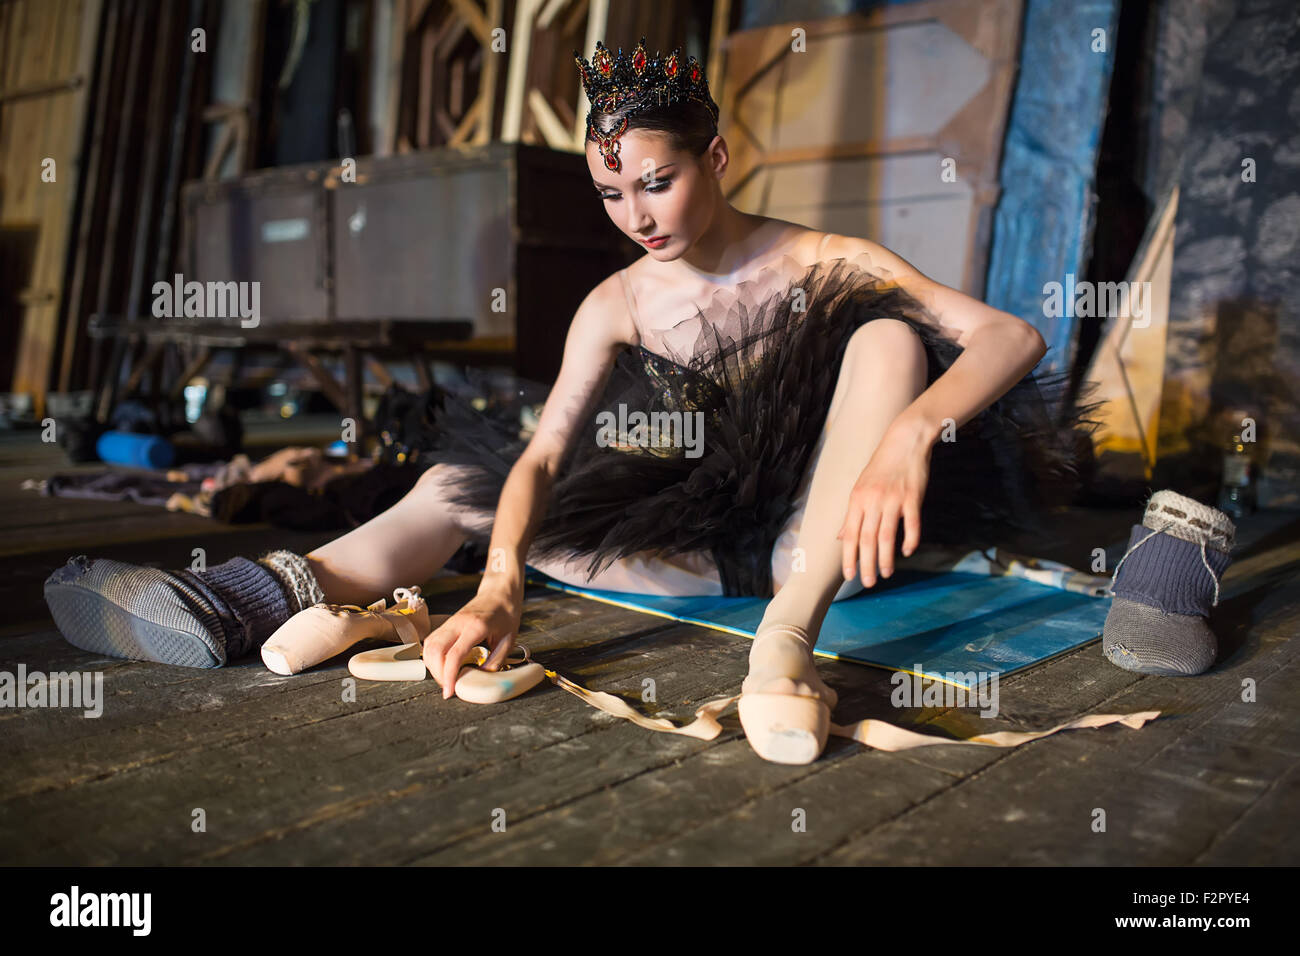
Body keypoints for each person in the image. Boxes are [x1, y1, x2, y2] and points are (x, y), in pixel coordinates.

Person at [44, 37, 1099, 765]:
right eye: (609, 192)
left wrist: (913, 430)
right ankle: (273, 596)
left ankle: (785, 652)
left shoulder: (822, 257)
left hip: (804, 551)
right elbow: (543, 458)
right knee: (469, 474)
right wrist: (502, 581)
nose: (633, 214)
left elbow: (1011, 332)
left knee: (880, 331)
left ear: (717, 157)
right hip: (678, 549)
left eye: (656, 181)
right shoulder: (616, 300)